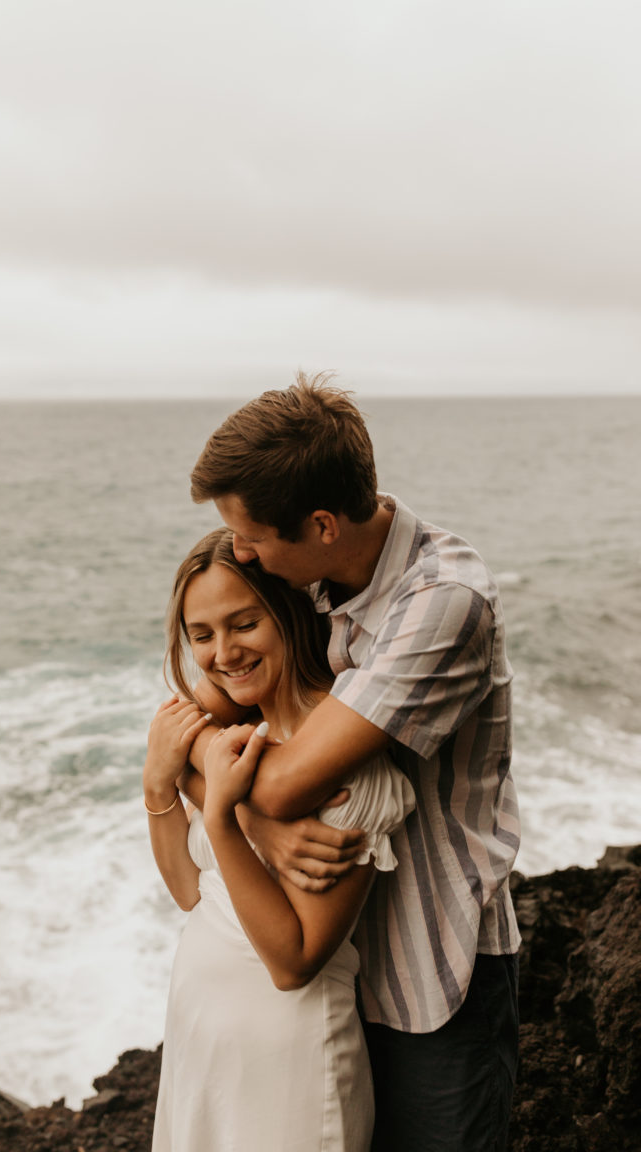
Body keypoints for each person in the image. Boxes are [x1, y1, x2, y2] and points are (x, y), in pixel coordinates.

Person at [184, 372, 521, 1152]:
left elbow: (291, 782)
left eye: (252, 538)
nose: (240, 553)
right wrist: (244, 812)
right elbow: (194, 712)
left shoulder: (443, 603)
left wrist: (225, 792)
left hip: (431, 969)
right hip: (327, 963)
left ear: (323, 524)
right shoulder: (302, 572)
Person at [144, 527, 415, 1152]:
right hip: (200, 1039)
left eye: (244, 624)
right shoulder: (239, 736)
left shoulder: (348, 770)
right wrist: (158, 782)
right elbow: (190, 892)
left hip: (287, 1057)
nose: (223, 653)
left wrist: (219, 817)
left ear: (288, 615)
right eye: (201, 635)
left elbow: (293, 962)